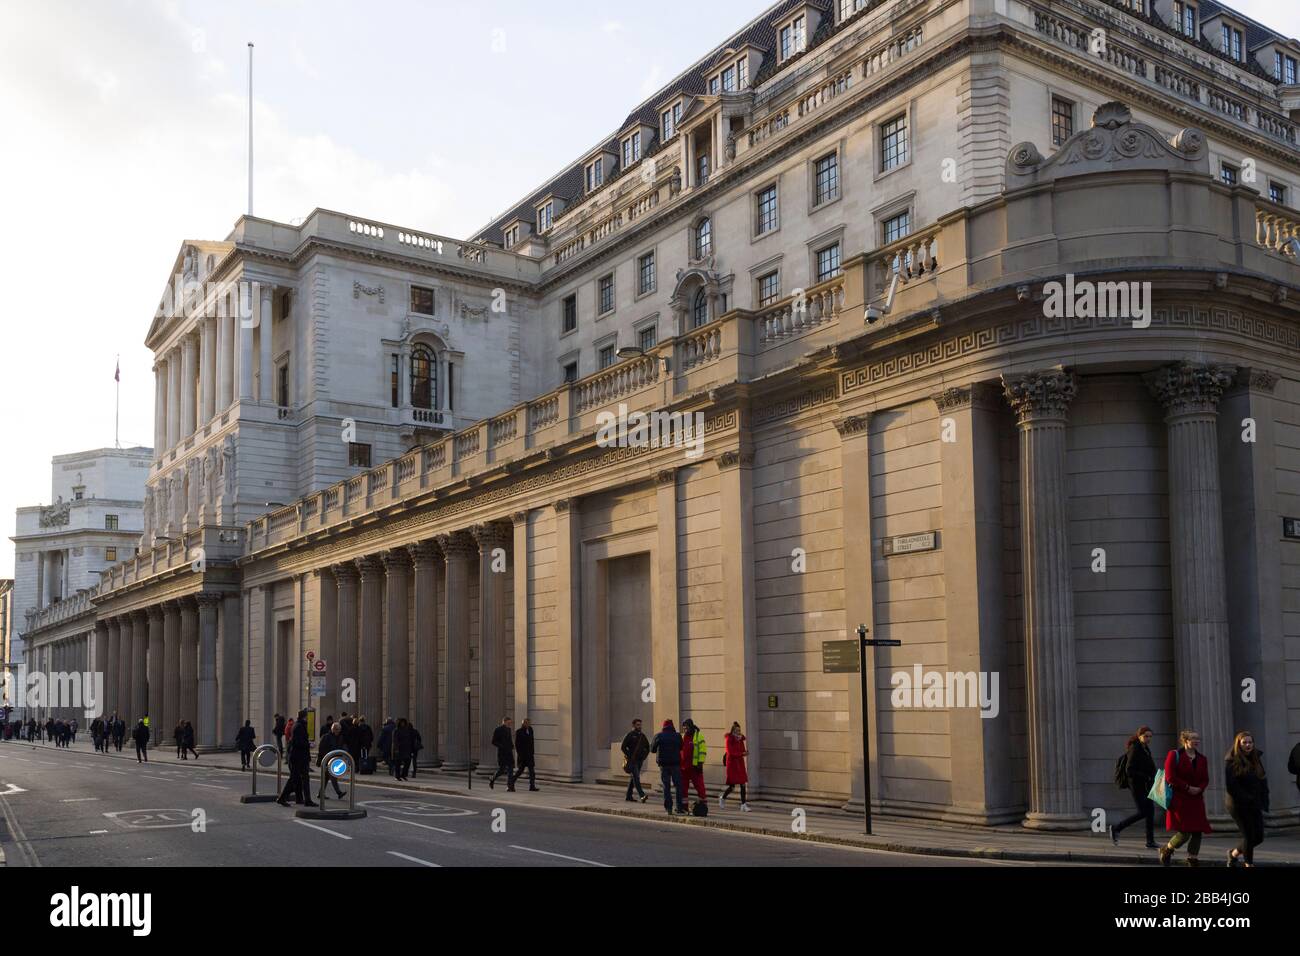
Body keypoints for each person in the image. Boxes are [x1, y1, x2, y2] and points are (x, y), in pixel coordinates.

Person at [1159, 729, 1211, 867]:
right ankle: (1167, 849)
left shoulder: (1202, 759)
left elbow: (1205, 779)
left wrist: (1199, 788)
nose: (1196, 741)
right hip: (1180, 798)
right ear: (1185, 740)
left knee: (1197, 830)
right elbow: (1170, 776)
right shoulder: (1174, 755)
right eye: (1193, 738)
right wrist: (1188, 787)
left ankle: (1192, 859)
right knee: (1185, 831)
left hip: (1196, 799)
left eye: (1198, 738)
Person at [1225, 731, 1269, 867]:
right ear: (1239, 744)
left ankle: (1233, 854)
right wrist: (1247, 798)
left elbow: (1262, 779)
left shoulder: (1256, 758)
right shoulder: (1231, 761)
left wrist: (1264, 798)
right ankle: (1248, 864)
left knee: (1259, 837)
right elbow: (1232, 787)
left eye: (1250, 742)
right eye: (1244, 742)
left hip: (1255, 803)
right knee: (1249, 836)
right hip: (1238, 805)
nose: (1248, 745)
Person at [1110, 726, 1158, 848]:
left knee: (1150, 812)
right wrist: (1146, 777)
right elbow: (1129, 770)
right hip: (1138, 786)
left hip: (1147, 785)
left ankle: (1150, 841)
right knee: (1143, 812)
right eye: (1146, 736)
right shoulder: (1135, 748)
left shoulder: (1145, 748)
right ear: (1139, 736)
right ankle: (1117, 828)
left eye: (1150, 736)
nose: (1148, 739)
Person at [277, 709, 317, 807]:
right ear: (305, 717)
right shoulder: (299, 726)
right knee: (297, 779)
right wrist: (309, 744)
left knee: (300, 779)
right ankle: (282, 798)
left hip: (298, 757)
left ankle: (301, 799)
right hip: (299, 757)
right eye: (307, 716)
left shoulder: (298, 725)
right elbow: (298, 742)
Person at [651, 719, 684, 815]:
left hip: (664, 765)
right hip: (675, 764)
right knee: (678, 786)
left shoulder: (659, 736)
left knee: (666, 786)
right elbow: (681, 747)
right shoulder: (677, 736)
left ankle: (668, 808)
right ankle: (679, 807)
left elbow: (652, 749)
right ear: (672, 726)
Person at [720, 722, 750, 811]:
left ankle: (743, 804)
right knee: (732, 786)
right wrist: (742, 753)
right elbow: (730, 752)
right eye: (737, 730)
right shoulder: (729, 739)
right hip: (732, 764)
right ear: (733, 731)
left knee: (743, 784)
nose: (739, 732)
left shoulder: (740, 739)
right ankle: (722, 798)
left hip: (739, 763)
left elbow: (742, 750)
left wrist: (745, 753)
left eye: (739, 730)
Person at [680, 718, 708, 808]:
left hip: (695, 767)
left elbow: (703, 750)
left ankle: (703, 805)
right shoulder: (682, 736)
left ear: (691, 726)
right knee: (684, 788)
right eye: (684, 727)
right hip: (684, 767)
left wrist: (700, 763)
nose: (685, 729)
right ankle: (684, 806)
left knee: (699, 786)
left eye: (686, 726)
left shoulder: (698, 735)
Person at [621, 718, 650, 803]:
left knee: (633, 778)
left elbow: (648, 747)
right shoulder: (630, 735)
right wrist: (629, 755)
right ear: (633, 725)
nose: (640, 726)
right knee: (636, 778)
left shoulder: (642, 736)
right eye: (638, 725)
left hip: (639, 761)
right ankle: (642, 795)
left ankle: (628, 796)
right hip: (632, 761)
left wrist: (644, 756)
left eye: (640, 725)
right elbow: (623, 747)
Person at [317, 721, 347, 798]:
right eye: (337, 729)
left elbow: (341, 747)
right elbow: (321, 749)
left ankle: (321, 793)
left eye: (339, 729)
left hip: (336, 759)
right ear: (333, 729)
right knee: (332, 775)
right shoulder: (326, 737)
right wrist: (322, 760)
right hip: (327, 759)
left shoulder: (340, 737)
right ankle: (339, 793)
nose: (338, 731)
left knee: (326, 778)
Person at [488, 717, 515, 790]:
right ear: (504, 722)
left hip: (509, 752)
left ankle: (510, 787)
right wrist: (502, 746)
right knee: (501, 770)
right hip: (502, 753)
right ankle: (492, 779)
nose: (510, 724)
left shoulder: (509, 729)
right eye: (508, 723)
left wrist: (512, 745)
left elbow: (509, 739)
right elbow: (493, 741)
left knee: (511, 769)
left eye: (510, 723)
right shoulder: (498, 730)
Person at [515, 717, 538, 792]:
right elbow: (517, 745)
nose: (527, 724)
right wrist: (520, 755)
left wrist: (532, 752)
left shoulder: (531, 730)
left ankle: (532, 786)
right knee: (520, 771)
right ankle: (511, 781)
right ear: (523, 723)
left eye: (528, 723)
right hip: (523, 756)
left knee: (532, 772)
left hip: (530, 755)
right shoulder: (519, 732)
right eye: (526, 723)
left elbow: (532, 742)